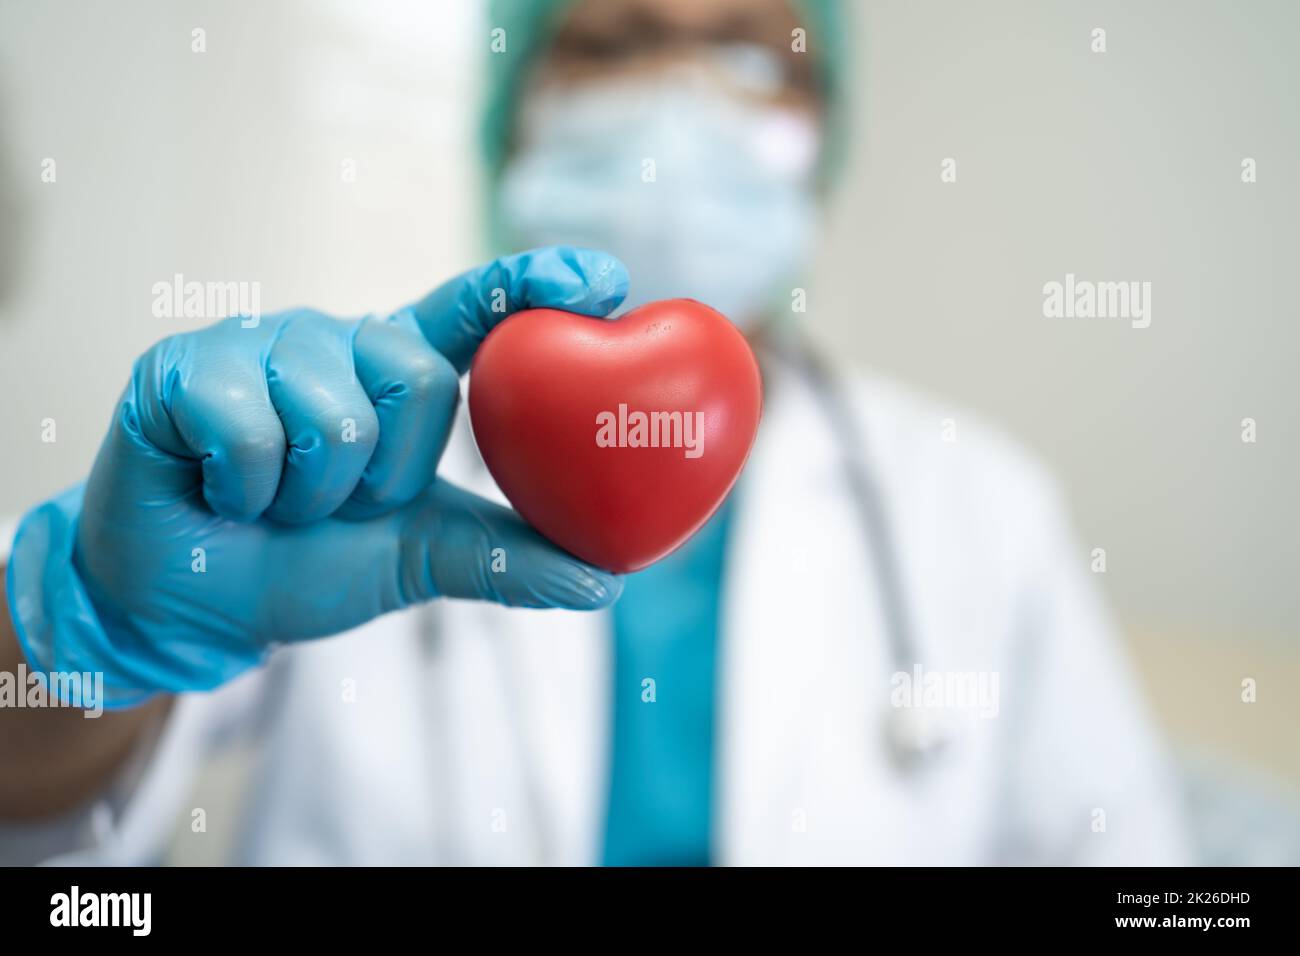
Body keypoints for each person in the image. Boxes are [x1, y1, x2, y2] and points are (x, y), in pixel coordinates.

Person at [0, 0, 1189, 865]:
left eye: (744, 50)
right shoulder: (339, 450)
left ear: (821, 138)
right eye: (609, 46)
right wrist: (88, 632)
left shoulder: (979, 505)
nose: (675, 99)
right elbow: (40, 836)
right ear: (513, 116)